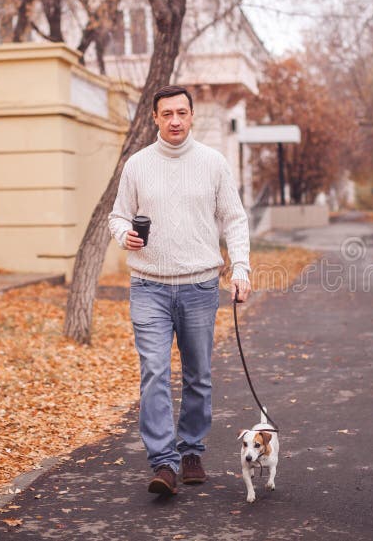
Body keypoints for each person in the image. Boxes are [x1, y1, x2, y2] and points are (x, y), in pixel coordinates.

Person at [108, 85, 251, 496]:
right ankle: (164, 462)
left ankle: (190, 451)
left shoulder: (213, 163)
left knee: (198, 376)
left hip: (199, 287)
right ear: (155, 118)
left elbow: (234, 220)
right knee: (153, 372)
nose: (174, 120)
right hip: (148, 286)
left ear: (191, 117)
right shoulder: (137, 165)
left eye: (181, 113)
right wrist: (125, 236)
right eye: (166, 113)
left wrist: (240, 267)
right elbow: (118, 217)